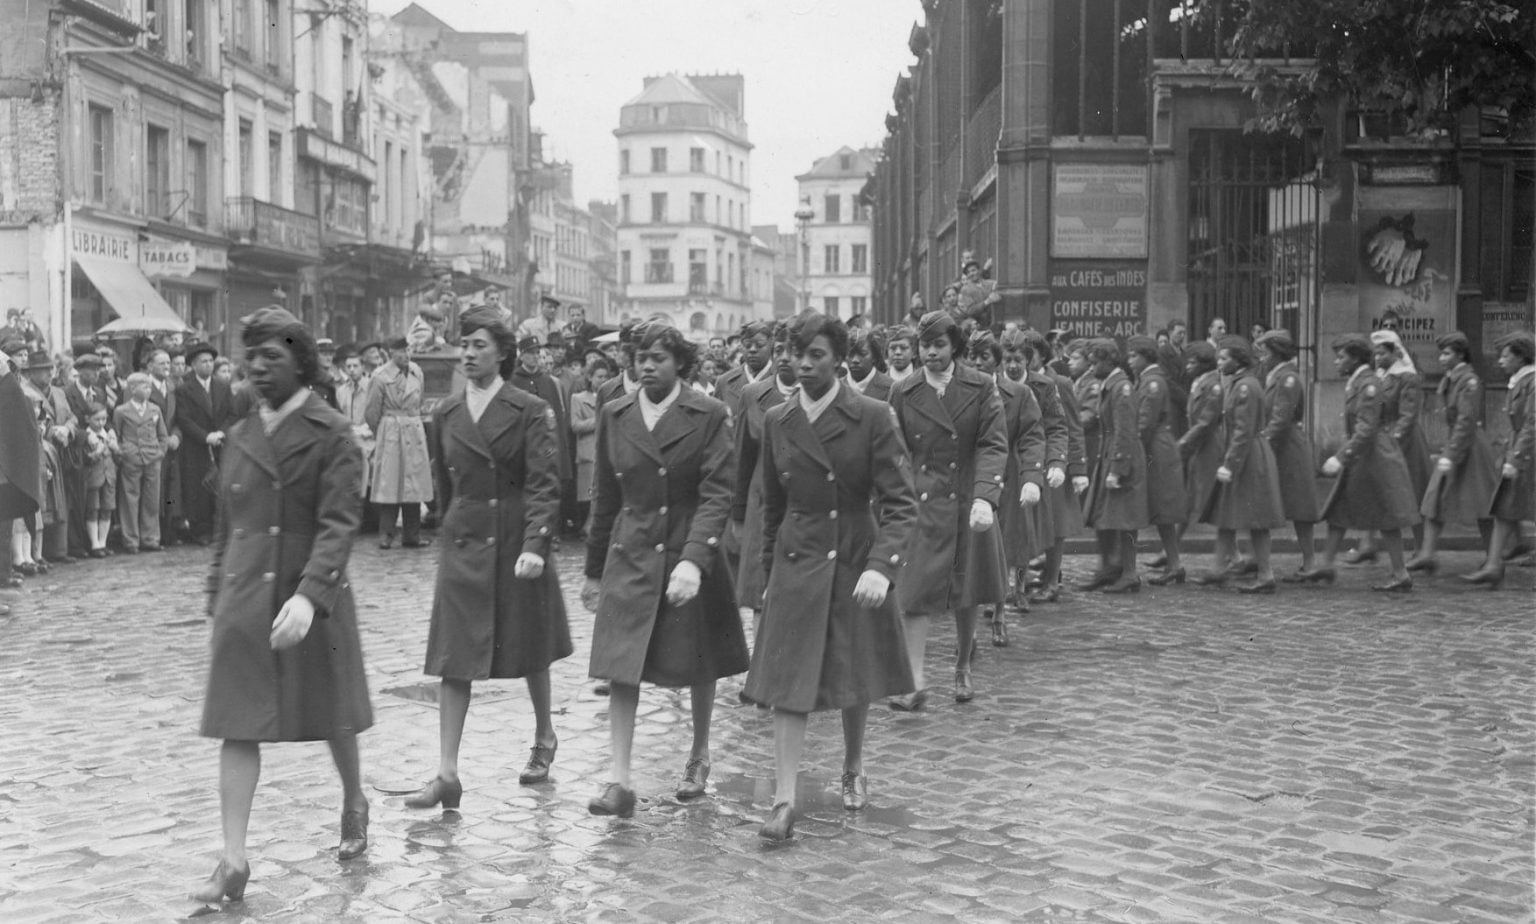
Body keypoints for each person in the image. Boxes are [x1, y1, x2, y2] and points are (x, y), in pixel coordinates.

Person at [191, 307, 372, 904]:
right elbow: (227, 523)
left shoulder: (332, 433)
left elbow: (338, 524)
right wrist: (218, 588)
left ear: (302, 362)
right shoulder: (241, 435)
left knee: (332, 714)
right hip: (246, 600)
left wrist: (310, 594)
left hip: (308, 599)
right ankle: (234, 859)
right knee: (236, 725)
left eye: (274, 355)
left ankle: (353, 799)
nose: (260, 368)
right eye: (254, 357)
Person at [741, 313, 919, 841]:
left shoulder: (872, 415)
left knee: (852, 671)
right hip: (797, 559)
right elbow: (773, 507)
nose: (803, 364)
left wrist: (881, 568)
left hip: (853, 559)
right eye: (796, 354)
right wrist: (767, 572)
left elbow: (901, 503)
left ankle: (854, 762)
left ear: (838, 359)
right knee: (786, 681)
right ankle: (784, 798)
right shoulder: (777, 419)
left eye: (815, 354)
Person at [404, 307, 573, 811]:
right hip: (464, 541)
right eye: (465, 344)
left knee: (529, 647)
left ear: (502, 353)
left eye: (479, 345)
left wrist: (535, 544)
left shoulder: (528, 409)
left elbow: (545, 482)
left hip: (514, 542)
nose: (469, 353)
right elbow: (446, 480)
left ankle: (544, 735)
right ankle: (447, 773)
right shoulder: (448, 413)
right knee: (453, 657)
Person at [582, 322, 748, 817]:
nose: (647, 366)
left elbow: (719, 492)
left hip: (687, 553)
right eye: (640, 358)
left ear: (681, 364)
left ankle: (699, 754)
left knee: (699, 660)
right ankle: (619, 778)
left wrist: (695, 560)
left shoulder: (709, 414)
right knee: (620, 662)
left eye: (658, 357)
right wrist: (593, 570)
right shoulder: (615, 414)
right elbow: (605, 496)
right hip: (630, 553)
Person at [887, 311, 1008, 709]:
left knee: (966, 588)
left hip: (967, 500)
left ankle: (962, 666)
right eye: (925, 346)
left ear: (954, 346)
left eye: (938, 345)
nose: (931, 353)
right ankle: (914, 679)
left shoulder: (981, 385)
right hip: (922, 502)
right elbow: (894, 449)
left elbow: (993, 442)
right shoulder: (904, 391)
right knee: (914, 590)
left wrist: (984, 497)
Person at [1310, 335, 1419, 591]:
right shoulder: (1358, 381)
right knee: (1340, 508)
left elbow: (1366, 429)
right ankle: (1326, 564)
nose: (1336, 362)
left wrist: (1340, 457)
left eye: (1341, 357)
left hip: (1375, 456)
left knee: (1387, 514)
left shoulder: (1368, 384)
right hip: (1364, 455)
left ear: (1356, 358)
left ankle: (1401, 573)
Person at [1193, 337, 1287, 592]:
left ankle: (1266, 574)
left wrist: (1230, 463)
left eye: (1224, 358)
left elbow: (1243, 431)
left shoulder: (1245, 386)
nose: (1219, 363)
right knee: (1227, 515)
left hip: (1248, 457)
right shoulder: (1238, 383)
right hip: (1243, 454)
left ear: (1239, 360)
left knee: (1256, 518)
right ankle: (1218, 569)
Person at [1408, 332, 1500, 572]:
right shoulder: (1452, 378)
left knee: (1483, 506)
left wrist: (1451, 454)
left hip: (1471, 447)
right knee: (1434, 498)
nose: (1441, 358)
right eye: (1441, 353)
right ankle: (1427, 553)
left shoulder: (1468, 380)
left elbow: (1466, 421)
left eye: (1447, 353)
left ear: (1460, 354)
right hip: (1456, 444)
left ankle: (1494, 560)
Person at [985, 331, 1046, 645]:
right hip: (968, 477)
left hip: (1006, 474)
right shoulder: (957, 392)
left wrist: (1032, 478)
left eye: (985, 357)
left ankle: (1000, 613)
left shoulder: (1019, 394)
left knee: (1008, 541)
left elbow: (1032, 435)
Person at [1348, 330, 1432, 561]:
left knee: (1413, 493)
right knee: (1374, 490)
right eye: (1375, 354)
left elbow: (1408, 416)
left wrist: (1393, 441)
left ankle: (1421, 548)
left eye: (1383, 353)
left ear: (1395, 352)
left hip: (1406, 442)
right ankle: (1368, 544)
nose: (1378, 358)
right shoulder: (1381, 377)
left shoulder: (1408, 377)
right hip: (1383, 437)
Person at [1462, 331, 1534, 588]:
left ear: (1521, 358)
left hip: (1529, 456)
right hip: (1521, 452)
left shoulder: (1532, 383)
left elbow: (1532, 425)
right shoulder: (1519, 382)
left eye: (1505, 356)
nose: (1499, 361)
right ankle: (1493, 565)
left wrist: (1516, 458)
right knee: (1505, 508)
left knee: (1515, 507)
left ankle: (1495, 564)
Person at [1078, 339, 1149, 593]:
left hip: (1121, 455)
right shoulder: (1112, 385)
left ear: (1109, 362)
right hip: (1108, 453)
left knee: (1125, 518)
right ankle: (1110, 567)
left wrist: (1117, 468)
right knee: (1103, 513)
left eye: (1096, 362)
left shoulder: (1122, 388)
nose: (1092, 367)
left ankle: (1129, 572)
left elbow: (1125, 430)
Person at [1020, 330, 1082, 604]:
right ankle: (1039, 576)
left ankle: (1053, 579)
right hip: (1028, 460)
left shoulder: (1059, 383)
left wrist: (1077, 468)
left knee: (1056, 524)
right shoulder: (1018, 381)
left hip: (1053, 461)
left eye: (1029, 355)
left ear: (1042, 356)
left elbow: (1071, 427)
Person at [1254, 330, 1321, 580]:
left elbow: (1281, 418)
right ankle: (1258, 560)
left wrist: (1262, 445)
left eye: (1264, 352)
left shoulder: (1288, 378)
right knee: (1267, 503)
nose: (1261, 357)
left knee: (1300, 507)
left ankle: (1310, 562)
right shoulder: (1273, 375)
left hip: (1288, 448)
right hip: (1277, 446)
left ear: (1276, 353)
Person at [1127, 336, 1188, 583]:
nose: (1129, 360)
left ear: (1146, 356)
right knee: (1161, 512)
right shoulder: (1148, 379)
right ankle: (1173, 563)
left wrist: (1132, 450)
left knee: (1162, 509)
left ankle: (1174, 564)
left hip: (1156, 449)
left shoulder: (1152, 382)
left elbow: (1145, 422)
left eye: (1133, 355)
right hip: (1155, 445)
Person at [365, 337, 434, 548]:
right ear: (391, 353)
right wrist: (384, 432)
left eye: (408, 350)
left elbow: (420, 401)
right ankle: (386, 535)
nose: (406, 355)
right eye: (401, 351)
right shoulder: (380, 377)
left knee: (414, 485)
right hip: (391, 431)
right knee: (390, 484)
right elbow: (371, 413)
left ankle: (412, 535)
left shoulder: (416, 372)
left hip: (413, 430)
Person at [175, 343, 237, 546]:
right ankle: (200, 530)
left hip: (220, 444)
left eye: (211, 361)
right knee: (198, 488)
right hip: (197, 446)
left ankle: (218, 529)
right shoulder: (184, 389)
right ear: (193, 364)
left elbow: (231, 414)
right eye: (204, 361)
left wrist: (222, 432)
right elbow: (184, 419)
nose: (208, 365)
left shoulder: (223, 386)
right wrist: (205, 436)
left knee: (220, 485)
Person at [1173, 343, 1224, 579]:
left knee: (1210, 502)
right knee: (1190, 498)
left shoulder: (1212, 385)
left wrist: (1183, 443)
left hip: (1208, 447)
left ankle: (1230, 558)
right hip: (1198, 447)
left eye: (1192, 362)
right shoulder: (1199, 382)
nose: (1188, 366)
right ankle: (1171, 548)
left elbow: (1206, 422)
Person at [113, 372, 168, 554]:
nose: (148, 389)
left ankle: (150, 538)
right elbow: (116, 435)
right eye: (144, 386)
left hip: (152, 458)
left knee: (152, 500)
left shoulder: (155, 409)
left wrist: (160, 452)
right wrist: (124, 453)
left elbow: (163, 435)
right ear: (132, 388)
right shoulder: (122, 411)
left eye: (149, 386)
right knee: (130, 499)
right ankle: (131, 540)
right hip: (132, 459)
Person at [570, 359, 610, 533]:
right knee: (587, 495)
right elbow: (575, 425)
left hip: (607, 449)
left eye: (605, 376)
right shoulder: (578, 398)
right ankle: (587, 527)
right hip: (588, 450)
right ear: (590, 377)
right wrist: (598, 421)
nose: (602, 380)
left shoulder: (611, 398)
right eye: (599, 376)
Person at [81, 403, 118, 557]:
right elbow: (84, 459)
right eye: (97, 419)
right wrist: (96, 453)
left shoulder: (109, 434)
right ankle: (94, 543)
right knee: (93, 509)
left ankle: (103, 542)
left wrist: (116, 448)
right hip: (93, 478)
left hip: (109, 476)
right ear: (87, 419)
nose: (101, 423)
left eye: (104, 419)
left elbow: (118, 456)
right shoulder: (85, 436)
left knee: (107, 509)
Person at [714, 320, 774, 414]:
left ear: (770, 345)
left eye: (759, 345)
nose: (753, 350)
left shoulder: (782, 380)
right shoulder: (724, 382)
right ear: (741, 347)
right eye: (747, 345)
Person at [845, 327, 894, 401]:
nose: (855, 360)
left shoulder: (891, 388)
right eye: (850, 354)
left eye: (862, 354)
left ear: (874, 357)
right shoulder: (835, 388)